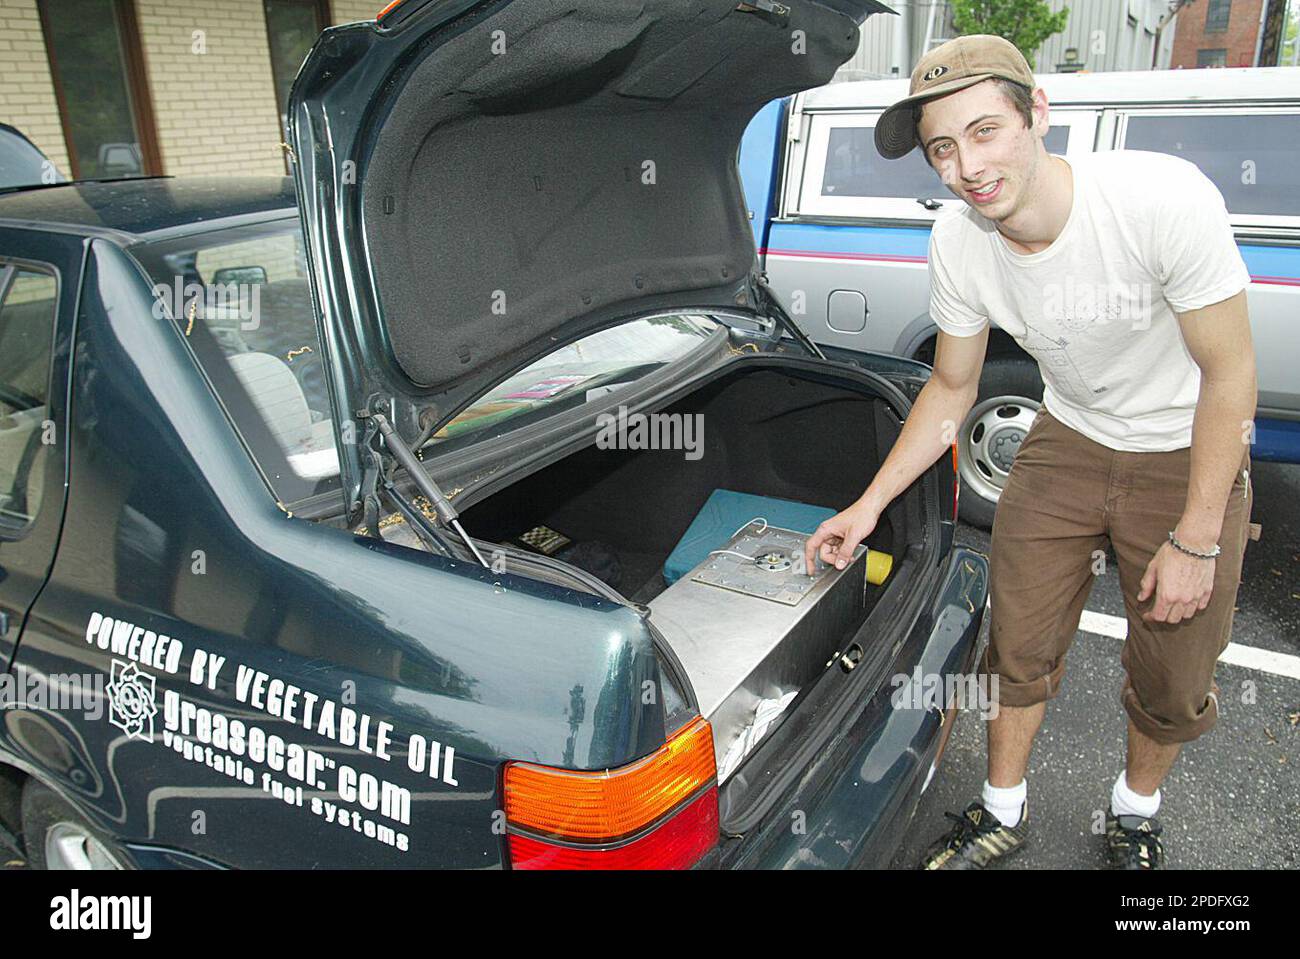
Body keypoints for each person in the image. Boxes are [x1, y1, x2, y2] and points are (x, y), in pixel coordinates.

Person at [803, 34, 1258, 870]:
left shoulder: (1159, 199)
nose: (966, 166)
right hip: (1068, 437)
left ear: (1038, 114)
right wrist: (866, 506)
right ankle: (1000, 808)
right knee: (1018, 639)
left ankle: (1135, 810)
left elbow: (1231, 377)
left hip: (1183, 449)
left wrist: (1197, 537)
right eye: (943, 148)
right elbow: (950, 388)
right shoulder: (958, 242)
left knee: (1172, 674)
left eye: (985, 131)